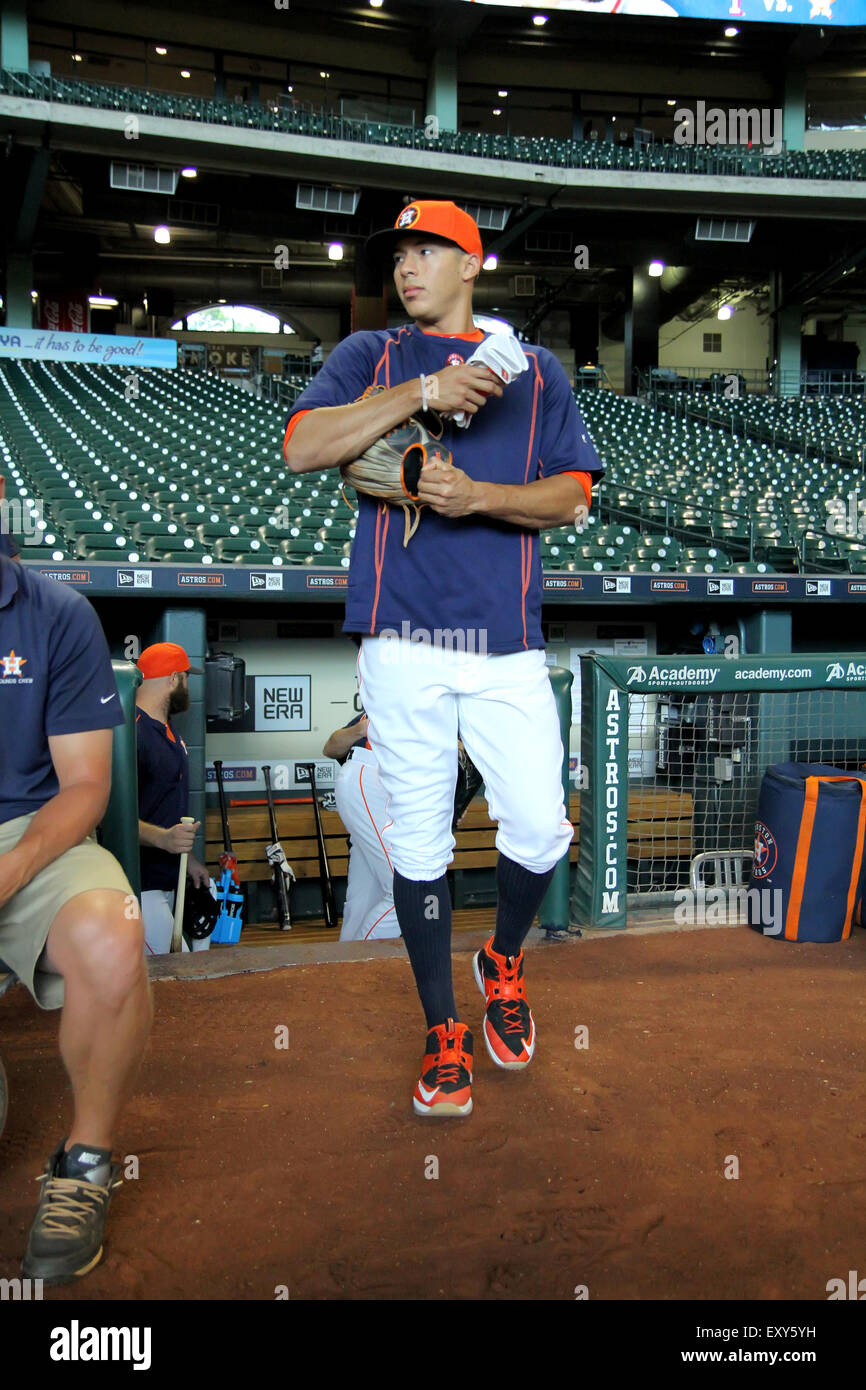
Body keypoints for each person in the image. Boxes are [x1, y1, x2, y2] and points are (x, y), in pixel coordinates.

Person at [284, 200, 604, 1117]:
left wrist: (476, 496)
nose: (407, 267)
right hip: (401, 641)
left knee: (540, 825)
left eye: (428, 250)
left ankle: (501, 957)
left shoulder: (537, 374)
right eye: (398, 254)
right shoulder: (369, 358)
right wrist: (422, 394)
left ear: (472, 265)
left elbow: (570, 496)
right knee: (419, 842)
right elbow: (305, 446)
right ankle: (442, 1031)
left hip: (506, 644)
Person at [0, 483, 151, 1283]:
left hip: (34, 835)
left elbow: (87, 784)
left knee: (113, 928)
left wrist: (13, 867)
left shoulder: (56, 613)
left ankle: (86, 1163)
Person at [135, 642, 210, 955]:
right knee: (172, 978)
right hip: (140, 884)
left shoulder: (168, 730)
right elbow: (108, 814)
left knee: (187, 968)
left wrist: (188, 859)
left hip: (171, 875)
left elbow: (163, 804)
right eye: (186, 678)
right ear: (172, 679)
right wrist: (163, 838)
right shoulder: (131, 731)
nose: (187, 686)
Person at [324, 706, 399, 942]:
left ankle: (346, 961)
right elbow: (330, 747)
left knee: (366, 891)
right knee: (405, 890)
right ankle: (360, 954)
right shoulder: (388, 702)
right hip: (370, 776)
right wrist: (360, 729)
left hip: (383, 786)